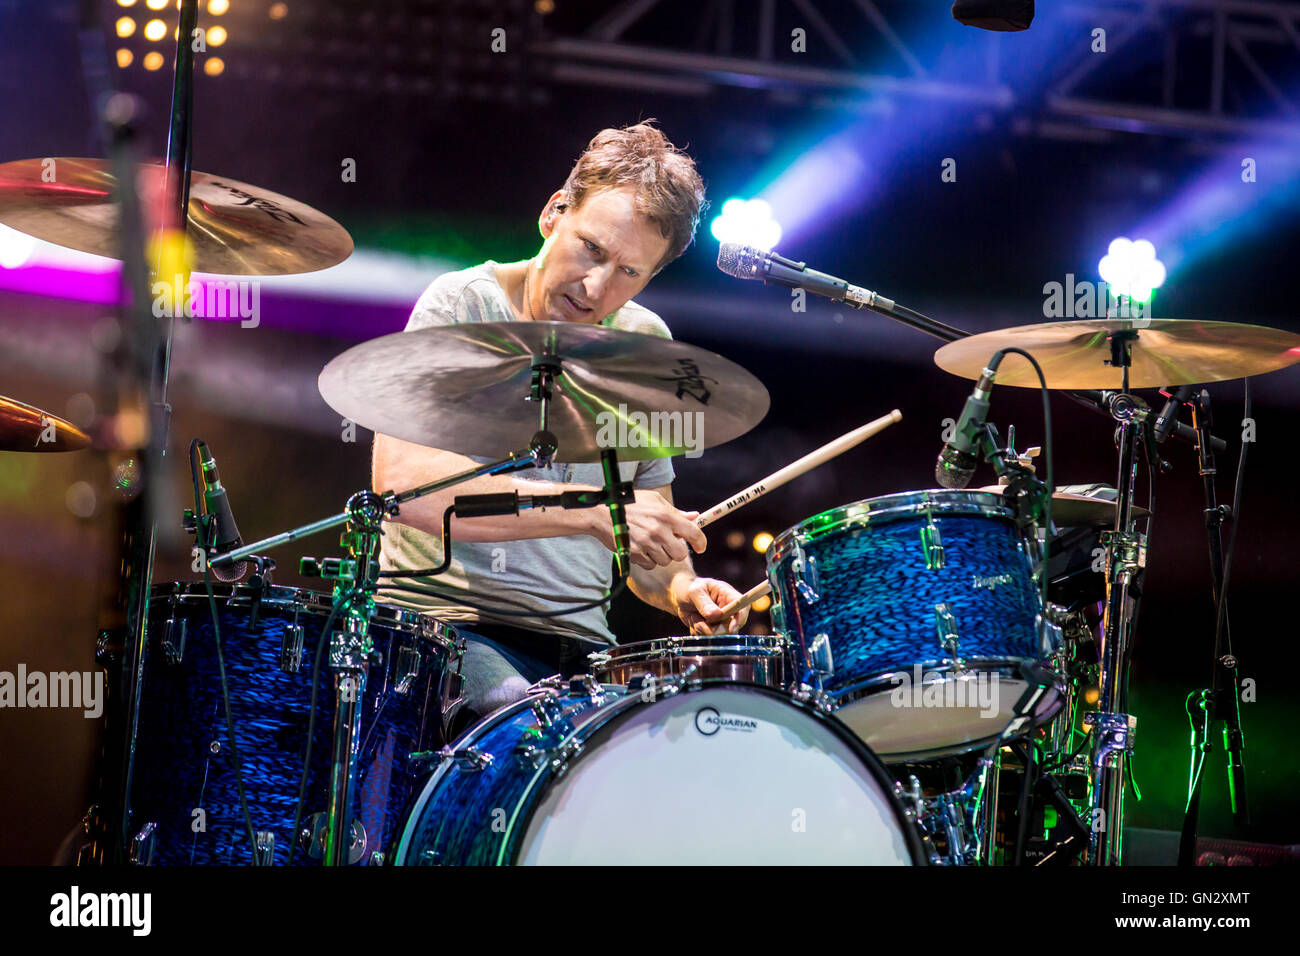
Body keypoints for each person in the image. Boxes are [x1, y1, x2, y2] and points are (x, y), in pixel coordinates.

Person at [372, 122, 750, 738]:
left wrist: (681, 584)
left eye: (630, 272)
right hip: (442, 632)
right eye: (592, 250)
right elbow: (406, 487)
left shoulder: (646, 345)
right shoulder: (463, 307)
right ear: (554, 213)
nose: (598, 287)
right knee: (527, 734)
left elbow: (642, 529)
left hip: (579, 654)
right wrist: (592, 510)